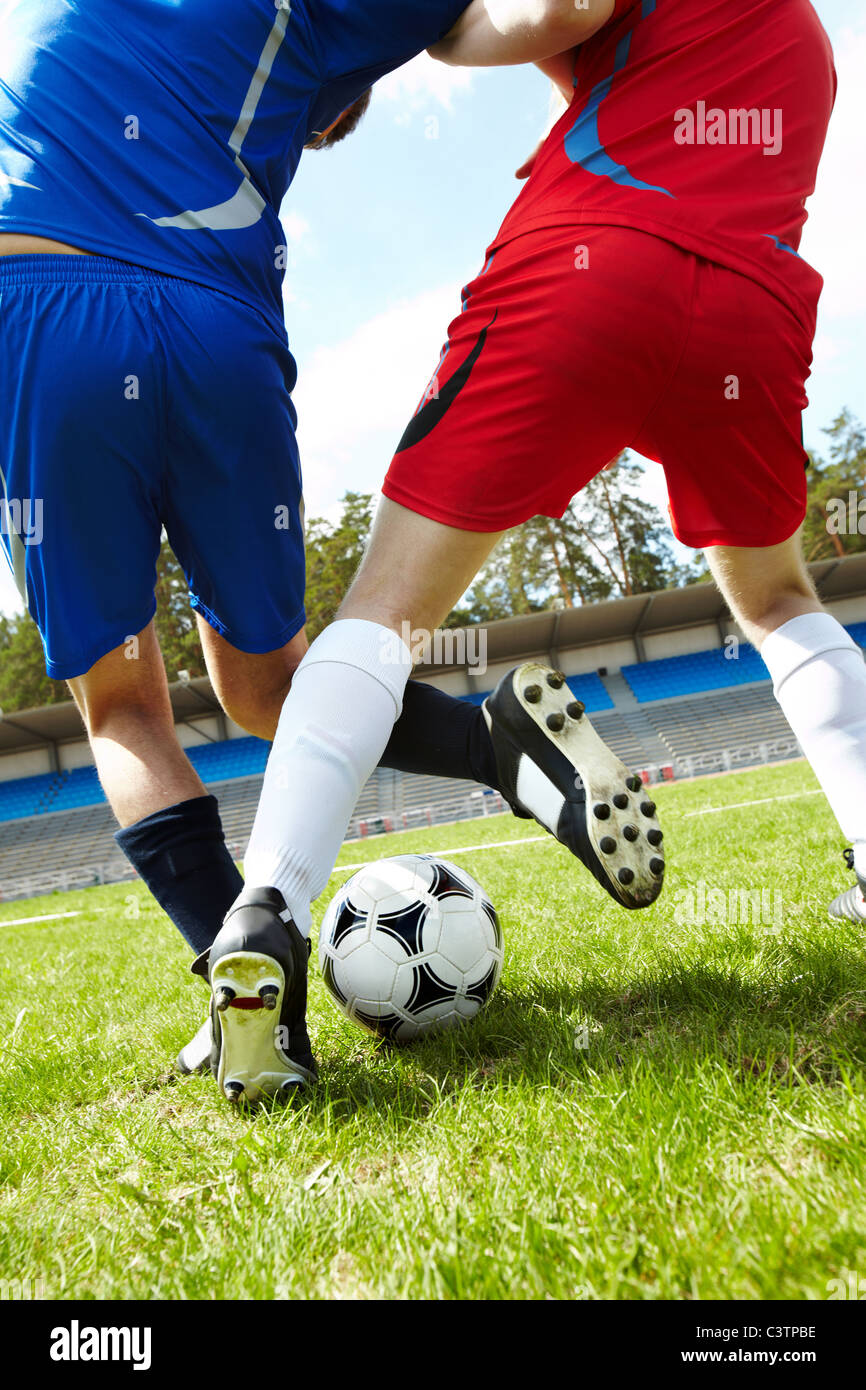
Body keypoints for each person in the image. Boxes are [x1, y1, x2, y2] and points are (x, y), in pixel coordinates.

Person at [207, 0, 861, 1104]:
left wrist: (412, 24)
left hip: (592, 260)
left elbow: (559, 8)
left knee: (386, 611)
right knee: (774, 595)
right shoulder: (794, 24)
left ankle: (266, 911)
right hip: (749, 302)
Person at [1, 1, 653, 1010]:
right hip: (220, 332)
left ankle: (250, 992)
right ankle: (495, 744)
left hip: (40, 302)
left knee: (125, 706)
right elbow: (517, 15)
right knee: (268, 688)